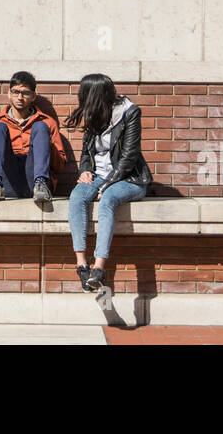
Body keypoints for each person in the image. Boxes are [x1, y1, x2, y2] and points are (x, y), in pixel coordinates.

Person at [65, 73, 152, 291]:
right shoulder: (94, 113)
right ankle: (82, 264)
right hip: (99, 176)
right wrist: (85, 171)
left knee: (108, 200)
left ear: (93, 95)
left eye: (83, 95)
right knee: (77, 196)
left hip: (129, 178)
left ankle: (98, 268)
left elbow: (129, 157)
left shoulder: (130, 112)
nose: (80, 99)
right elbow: (86, 152)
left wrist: (105, 186)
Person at [0, 71, 64, 207]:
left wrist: (47, 145)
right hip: (7, 182)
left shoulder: (47, 122)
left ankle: (41, 184)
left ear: (33, 96)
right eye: (15, 92)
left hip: (35, 182)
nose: (20, 97)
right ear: (9, 94)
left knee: (40, 127)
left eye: (25, 93)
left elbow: (60, 166)